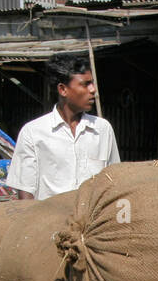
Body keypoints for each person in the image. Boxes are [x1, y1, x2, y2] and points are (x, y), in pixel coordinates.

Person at [6, 53, 119, 200]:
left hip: (94, 220)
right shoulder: (33, 132)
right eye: (85, 84)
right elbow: (25, 192)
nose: (93, 90)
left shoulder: (103, 129)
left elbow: (114, 180)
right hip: (51, 221)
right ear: (63, 90)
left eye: (92, 83)